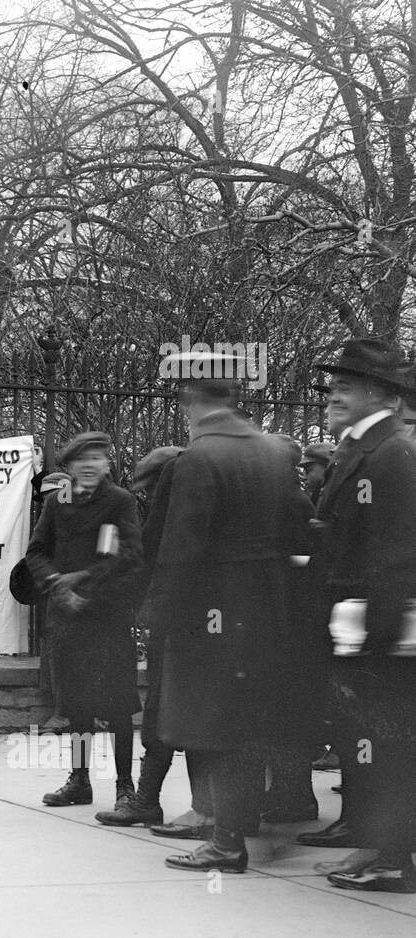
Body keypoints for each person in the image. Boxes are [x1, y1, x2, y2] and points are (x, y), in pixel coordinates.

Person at [147, 373, 310, 872]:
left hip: (213, 605)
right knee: (251, 718)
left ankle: (225, 839)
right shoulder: (272, 453)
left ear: (191, 403)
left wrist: (162, 612)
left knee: (213, 723)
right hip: (267, 605)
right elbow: (298, 528)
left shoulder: (199, 457)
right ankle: (243, 826)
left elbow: (182, 544)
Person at [299, 341, 416, 893]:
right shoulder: (363, 449)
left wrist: (377, 637)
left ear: (383, 395)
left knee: (386, 748)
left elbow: (396, 554)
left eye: (347, 384)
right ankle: (381, 848)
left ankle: (393, 859)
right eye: (334, 384)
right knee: (372, 746)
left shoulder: (391, 453)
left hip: (383, 631)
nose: (333, 393)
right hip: (361, 625)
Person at [25, 432, 143, 808]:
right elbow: (36, 552)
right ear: (71, 466)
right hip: (67, 619)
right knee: (76, 705)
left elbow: (129, 555)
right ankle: (79, 780)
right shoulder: (57, 502)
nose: (90, 466)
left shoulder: (120, 501)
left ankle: (125, 785)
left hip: (107, 617)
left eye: (97, 458)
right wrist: (54, 584)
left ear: (107, 464)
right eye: (82, 460)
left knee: (118, 706)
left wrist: (83, 584)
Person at [95, 445, 181, 827]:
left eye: (151, 487)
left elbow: (143, 560)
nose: (148, 495)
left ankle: (146, 799)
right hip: (183, 623)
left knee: (161, 713)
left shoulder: (171, 514)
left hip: (175, 624)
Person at [298, 442, 334, 507]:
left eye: (308, 470)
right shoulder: (317, 497)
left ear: (327, 467)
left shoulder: (343, 495)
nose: (304, 477)